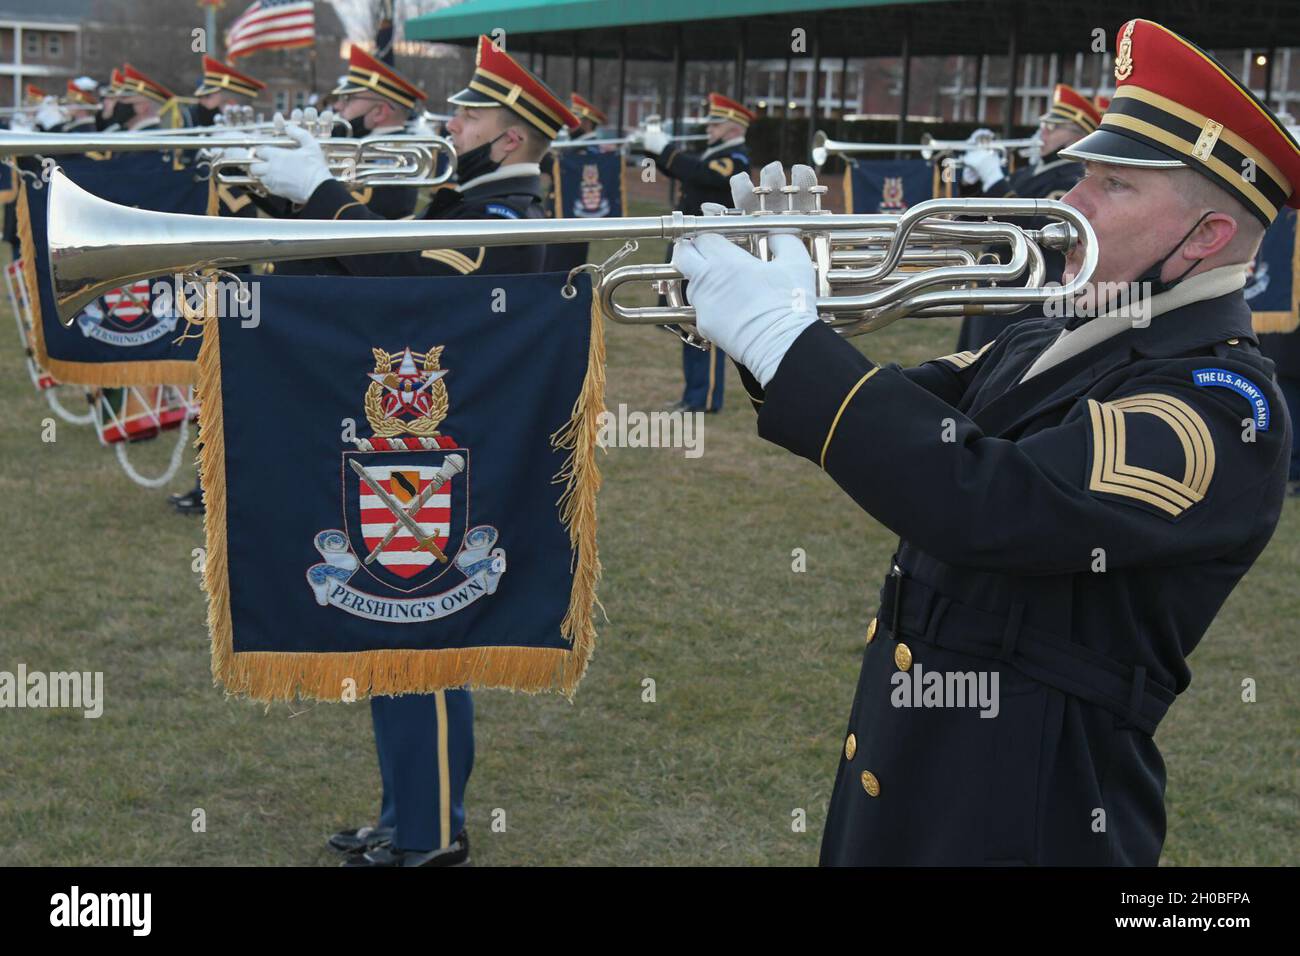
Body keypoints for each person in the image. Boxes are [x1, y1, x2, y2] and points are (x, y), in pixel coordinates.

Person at [671, 18, 1296, 865]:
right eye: (1083, 174)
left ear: (1206, 240)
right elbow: (907, 415)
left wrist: (786, 338)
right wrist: (784, 320)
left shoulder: (1222, 403)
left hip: (1027, 810)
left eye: (1112, 185)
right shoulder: (1062, 329)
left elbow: (990, 499)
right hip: (920, 776)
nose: (1069, 201)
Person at [249, 34, 579, 866]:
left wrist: (323, 192)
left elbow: (412, 268)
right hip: (420, 446)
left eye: (469, 115)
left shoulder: (504, 214)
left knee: (422, 650)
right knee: (396, 648)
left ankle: (432, 835)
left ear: (510, 139)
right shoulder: (469, 203)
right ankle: (407, 813)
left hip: (444, 454)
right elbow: (375, 271)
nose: (451, 122)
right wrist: (304, 204)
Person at [956, 83, 1102, 351]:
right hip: (994, 286)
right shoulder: (1027, 174)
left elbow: (1043, 230)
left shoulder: (1072, 178)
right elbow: (973, 224)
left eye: (1053, 127)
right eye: (1044, 124)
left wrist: (995, 180)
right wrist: (972, 184)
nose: (1042, 131)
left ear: (1078, 136)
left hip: (1027, 296)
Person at [638, 92, 752, 413]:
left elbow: (704, 174)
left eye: (716, 123)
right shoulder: (717, 152)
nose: (710, 128)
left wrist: (666, 150)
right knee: (689, 322)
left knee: (706, 324)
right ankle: (692, 395)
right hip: (696, 246)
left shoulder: (735, 156)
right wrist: (654, 149)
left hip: (712, 249)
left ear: (733, 126)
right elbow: (686, 171)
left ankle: (705, 397)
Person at [542, 92, 610, 275]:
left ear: (587, 123)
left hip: (571, 225)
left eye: (575, 122)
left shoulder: (590, 150)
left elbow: (563, 170)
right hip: (560, 224)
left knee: (563, 274)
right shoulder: (577, 147)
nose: (569, 127)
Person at [189, 55, 266, 127]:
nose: (201, 100)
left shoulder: (242, 113)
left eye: (207, 95)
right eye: (200, 96)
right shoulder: (202, 113)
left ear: (224, 93)